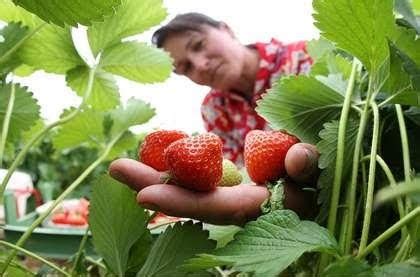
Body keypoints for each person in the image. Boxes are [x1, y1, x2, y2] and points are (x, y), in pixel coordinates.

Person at [109, 13, 319, 225]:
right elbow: (234, 174)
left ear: (226, 29)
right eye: (186, 68)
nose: (200, 65)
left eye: (199, 45)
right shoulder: (214, 108)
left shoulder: (304, 58)